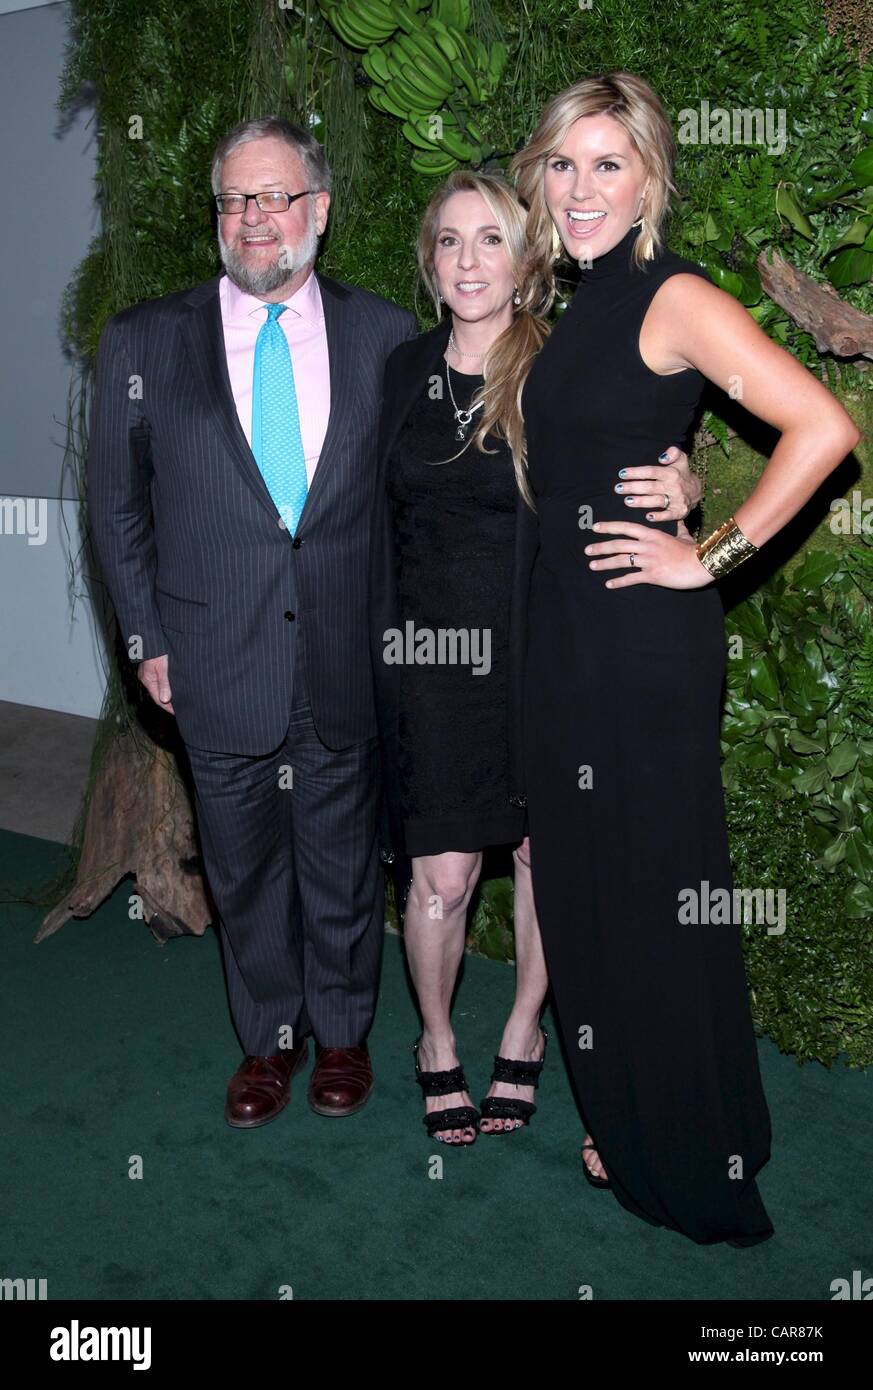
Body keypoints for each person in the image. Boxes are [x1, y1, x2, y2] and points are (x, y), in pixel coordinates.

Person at [511, 72, 860, 1243]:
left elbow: (824, 428)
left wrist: (706, 555)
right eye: (563, 163)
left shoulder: (674, 295)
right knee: (604, 886)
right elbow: (627, 440)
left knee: (641, 894)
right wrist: (689, 474)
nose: (582, 188)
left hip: (635, 644)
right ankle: (682, 1112)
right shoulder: (580, 307)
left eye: (608, 163)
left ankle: (672, 1147)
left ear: (650, 176)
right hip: (571, 632)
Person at [88, 117, 417, 1128]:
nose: (254, 218)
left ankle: (346, 1032)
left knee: (342, 860)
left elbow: (423, 500)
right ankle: (270, 1041)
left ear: (319, 209)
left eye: (276, 196)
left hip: (344, 655)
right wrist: (146, 642)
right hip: (211, 664)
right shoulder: (145, 339)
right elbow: (116, 507)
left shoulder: (386, 335)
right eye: (235, 199)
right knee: (244, 869)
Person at [370, 170, 703, 1143]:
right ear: (429, 264)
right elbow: (360, 523)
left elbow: (646, 449)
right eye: (449, 241)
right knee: (439, 878)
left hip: (544, 654)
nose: (470, 260)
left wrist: (685, 487)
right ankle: (435, 1040)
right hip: (428, 670)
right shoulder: (397, 372)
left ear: (527, 261)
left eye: (492, 240)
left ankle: (525, 1028)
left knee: (544, 860)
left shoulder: (560, 367)